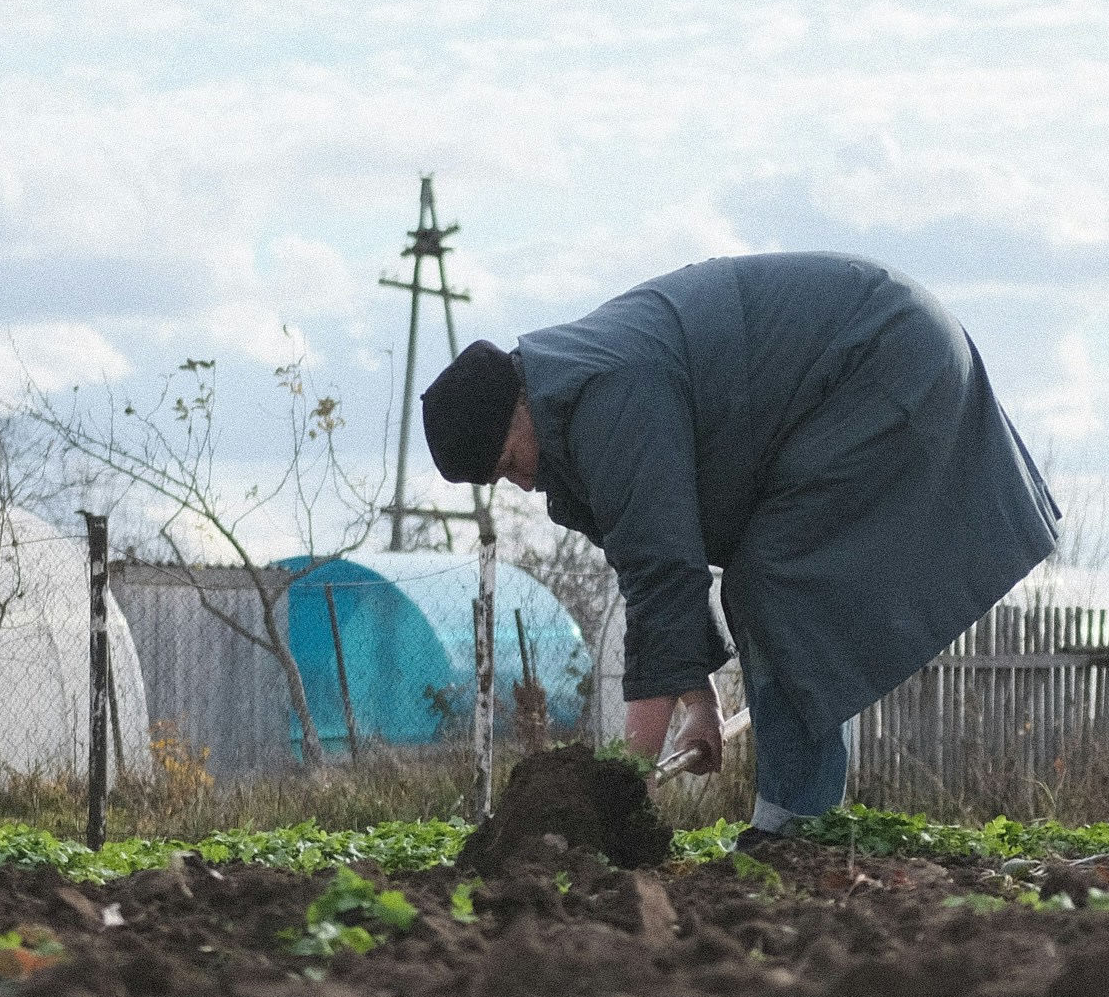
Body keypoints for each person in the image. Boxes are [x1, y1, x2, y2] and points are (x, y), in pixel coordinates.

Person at [419, 251, 1059, 838]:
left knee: (775, 584)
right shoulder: (572, 407)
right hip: (877, 348)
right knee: (769, 586)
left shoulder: (606, 396)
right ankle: (798, 817)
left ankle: (794, 823)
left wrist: (619, 789)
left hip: (883, 354)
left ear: (521, 408)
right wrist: (699, 703)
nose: (523, 483)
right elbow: (654, 566)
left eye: (510, 462)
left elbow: (666, 574)